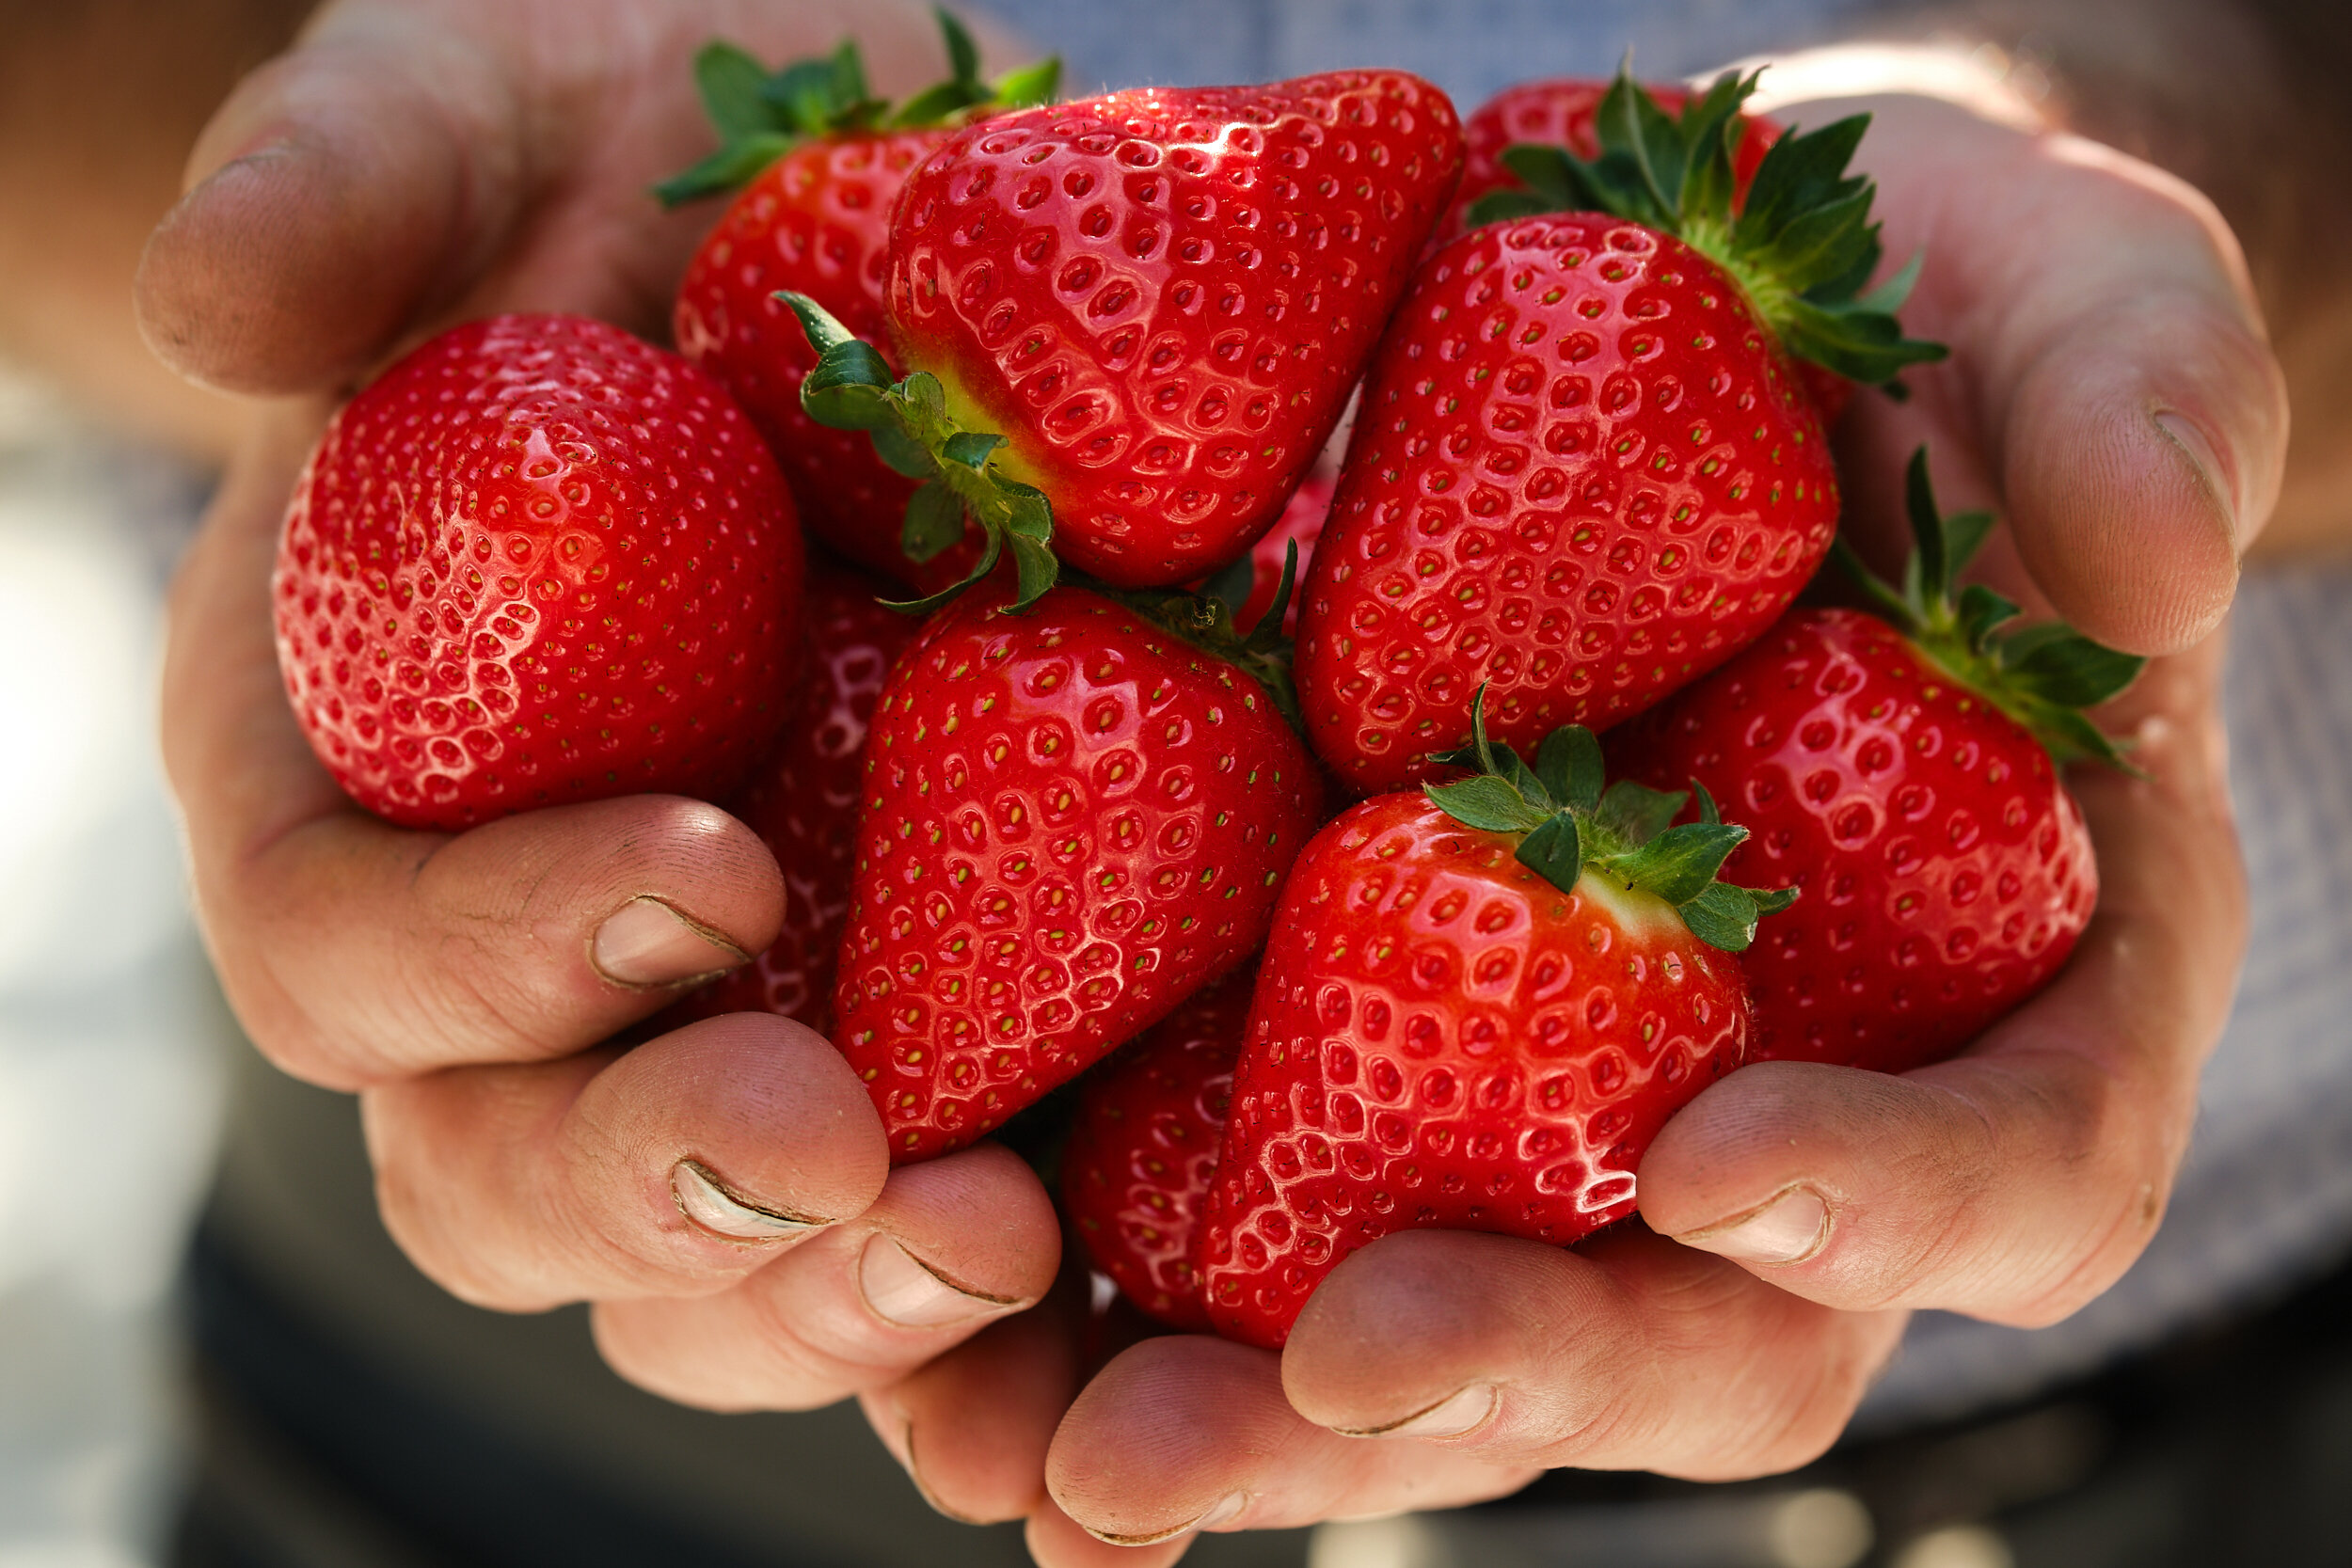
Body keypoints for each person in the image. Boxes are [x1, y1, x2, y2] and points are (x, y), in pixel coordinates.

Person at [4, 0, 2342, 1562]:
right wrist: (320, 206)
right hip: (480, 1408)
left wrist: (2208, 189)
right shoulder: (1100, 579)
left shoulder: (1585, 449)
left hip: (2155, 1415)